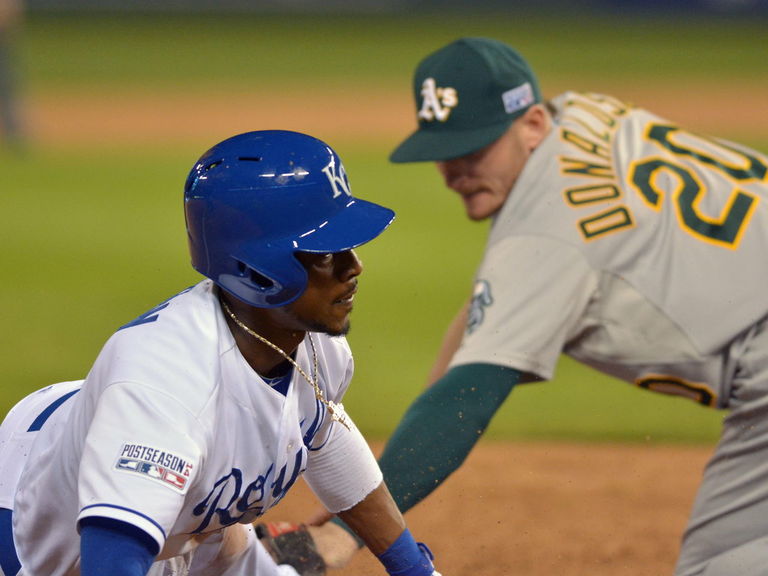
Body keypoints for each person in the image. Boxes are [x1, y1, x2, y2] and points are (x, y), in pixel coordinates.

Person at [272, 37, 768, 576]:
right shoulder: (581, 112)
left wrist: (343, 535)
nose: (454, 170)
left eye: (474, 148)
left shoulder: (544, 239)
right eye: (443, 151)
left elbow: (468, 398)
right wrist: (359, 498)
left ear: (531, 124)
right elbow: (483, 326)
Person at [0, 130, 443, 576]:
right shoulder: (166, 386)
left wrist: (414, 570)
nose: (354, 266)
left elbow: (327, 439)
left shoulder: (316, 347)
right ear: (258, 272)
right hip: (44, 534)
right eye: (326, 254)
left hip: (181, 505)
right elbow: (109, 556)